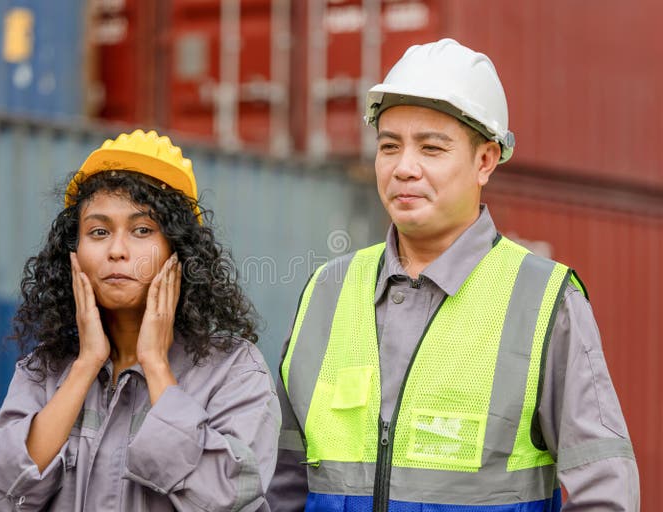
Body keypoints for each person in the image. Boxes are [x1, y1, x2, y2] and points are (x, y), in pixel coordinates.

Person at [267, 39, 639, 511]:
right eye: (389, 146)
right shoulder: (327, 290)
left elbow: (606, 491)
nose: (404, 168)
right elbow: (280, 482)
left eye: (431, 148)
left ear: (485, 160)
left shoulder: (544, 301)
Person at [0, 130, 280, 511]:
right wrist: (86, 364)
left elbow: (229, 499)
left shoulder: (234, 371)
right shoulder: (46, 369)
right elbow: (2, 490)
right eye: (99, 232)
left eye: (142, 230)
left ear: (180, 250)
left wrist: (154, 364)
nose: (117, 251)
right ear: (73, 254)